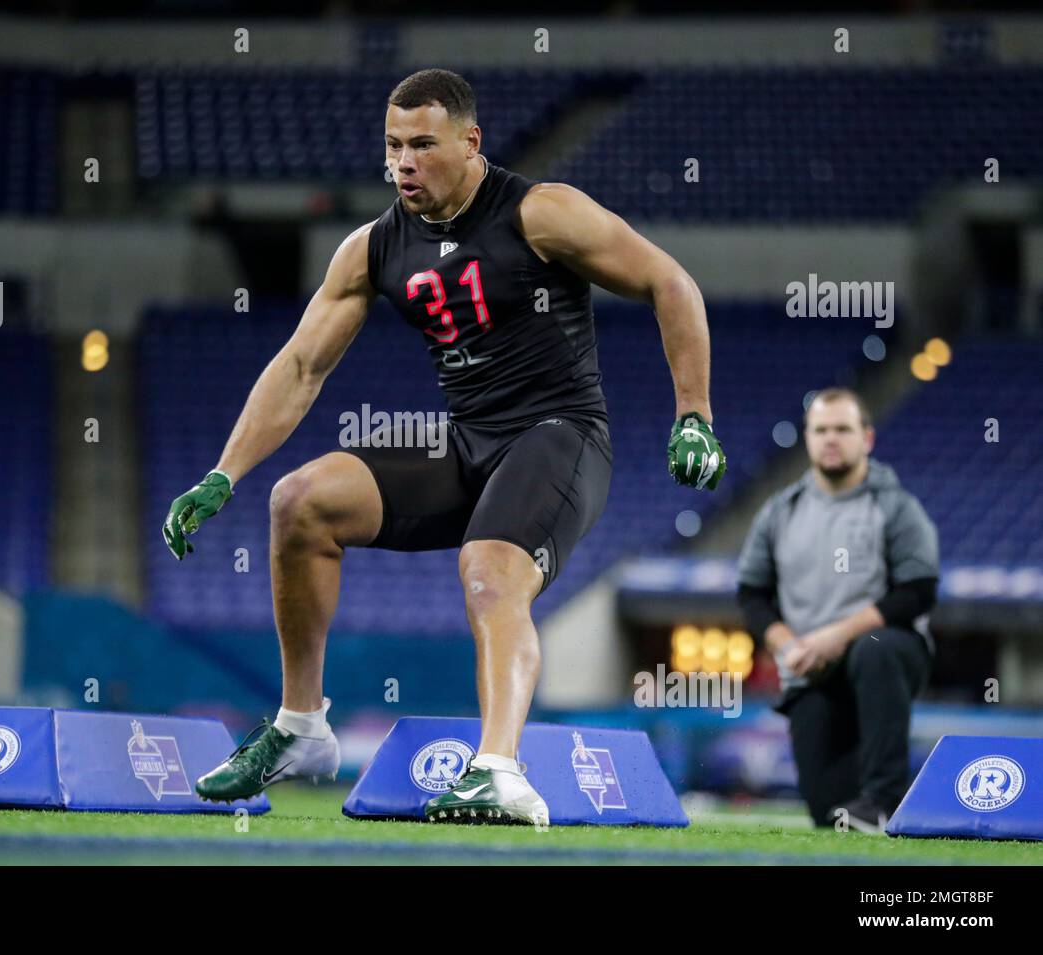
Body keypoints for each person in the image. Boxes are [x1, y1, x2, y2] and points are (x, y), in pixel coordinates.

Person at [164, 68, 726, 825]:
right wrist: (222, 474)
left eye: (422, 144)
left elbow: (670, 280)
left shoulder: (540, 212)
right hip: (468, 446)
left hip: (561, 437)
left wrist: (694, 413)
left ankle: (499, 769)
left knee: (489, 569)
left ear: (471, 143)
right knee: (300, 500)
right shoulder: (372, 248)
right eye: (393, 145)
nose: (403, 162)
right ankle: (301, 725)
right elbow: (301, 366)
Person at [737, 388, 939, 832]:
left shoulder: (896, 506)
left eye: (842, 429)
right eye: (821, 430)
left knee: (875, 647)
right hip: (812, 671)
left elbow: (918, 591)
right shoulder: (779, 511)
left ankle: (883, 800)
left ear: (866, 438)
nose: (831, 439)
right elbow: (752, 593)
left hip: (884, 654)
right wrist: (788, 646)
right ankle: (887, 802)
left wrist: (836, 635)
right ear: (807, 438)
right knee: (828, 812)